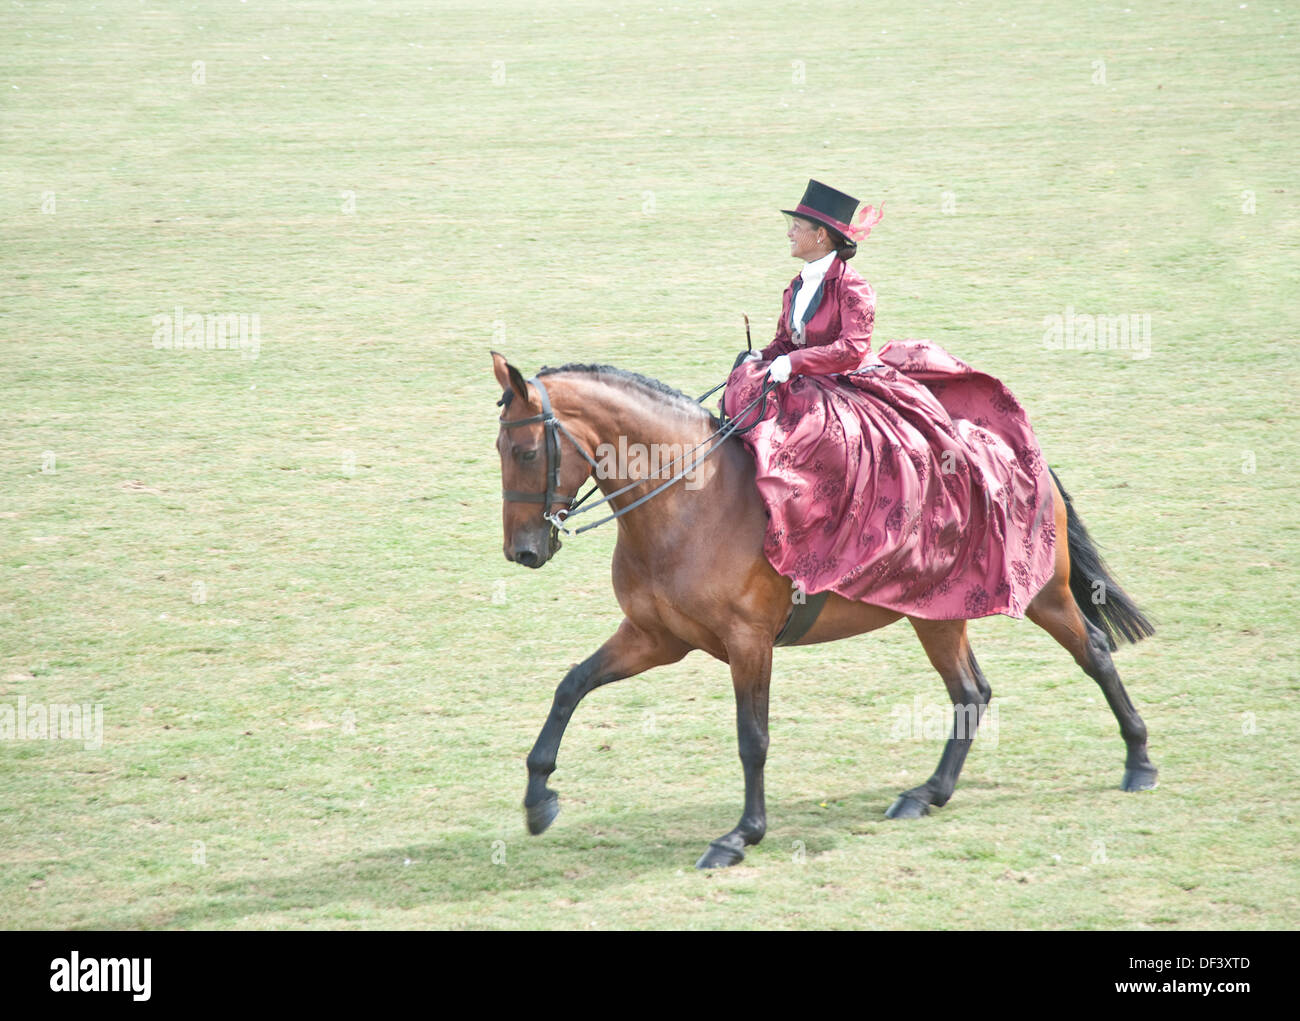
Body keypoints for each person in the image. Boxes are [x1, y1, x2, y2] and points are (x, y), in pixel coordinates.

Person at [722, 180, 1057, 621]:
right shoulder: (797, 285)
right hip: (807, 380)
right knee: (745, 394)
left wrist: (796, 363)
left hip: (847, 382)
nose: (789, 233)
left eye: (796, 226)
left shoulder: (853, 287)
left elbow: (851, 348)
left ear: (820, 235)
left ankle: (832, 537)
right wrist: (763, 358)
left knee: (822, 439)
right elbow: (785, 340)